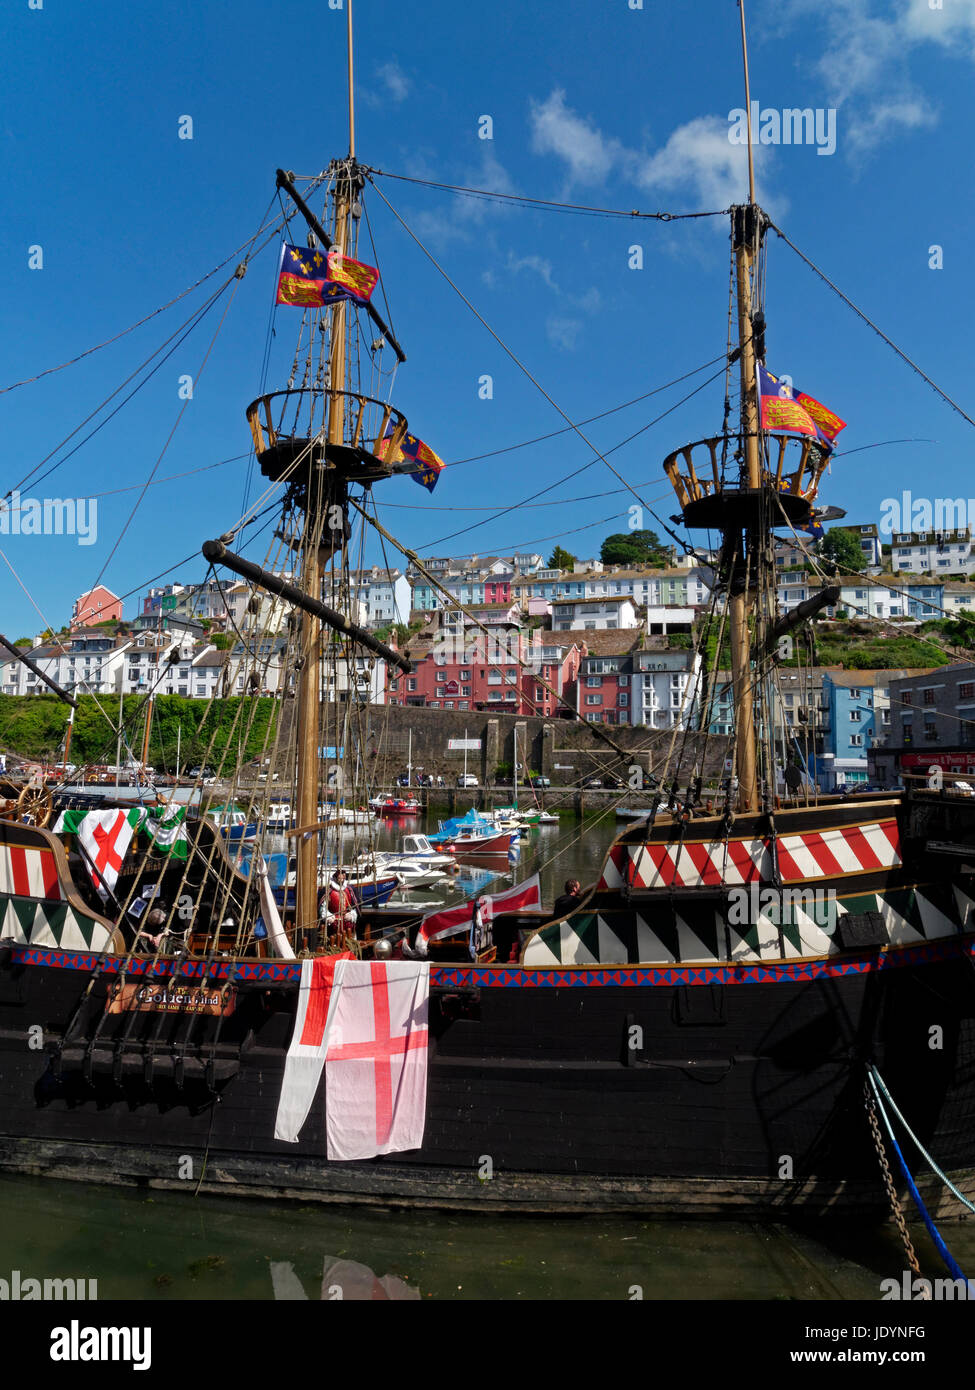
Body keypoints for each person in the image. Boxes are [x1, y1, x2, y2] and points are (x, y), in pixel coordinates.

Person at [321, 869, 358, 936]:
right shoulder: (328, 890)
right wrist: (328, 916)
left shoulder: (350, 890)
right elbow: (322, 908)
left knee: (349, 934)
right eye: (339, 876)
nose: (341, 878)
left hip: (348, 922)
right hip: (333, 921)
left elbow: (356, 906)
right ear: (335, 877)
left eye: (343, 876)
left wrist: (352, 914)